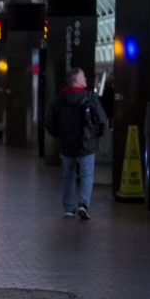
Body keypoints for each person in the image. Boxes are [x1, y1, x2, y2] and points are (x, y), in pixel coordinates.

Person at [45, 67, 108, 220]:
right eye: (83, 76)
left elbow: (49, 121)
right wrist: (96, 137)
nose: (86, 78)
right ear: (76, 80)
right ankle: (83, 205)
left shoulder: (60, 99)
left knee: (68, 175)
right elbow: (102, 119)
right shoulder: (89, 97)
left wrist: (59, 135)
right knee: (87, 175)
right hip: (86, 143)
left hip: (67, 143)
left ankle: (69, 208)